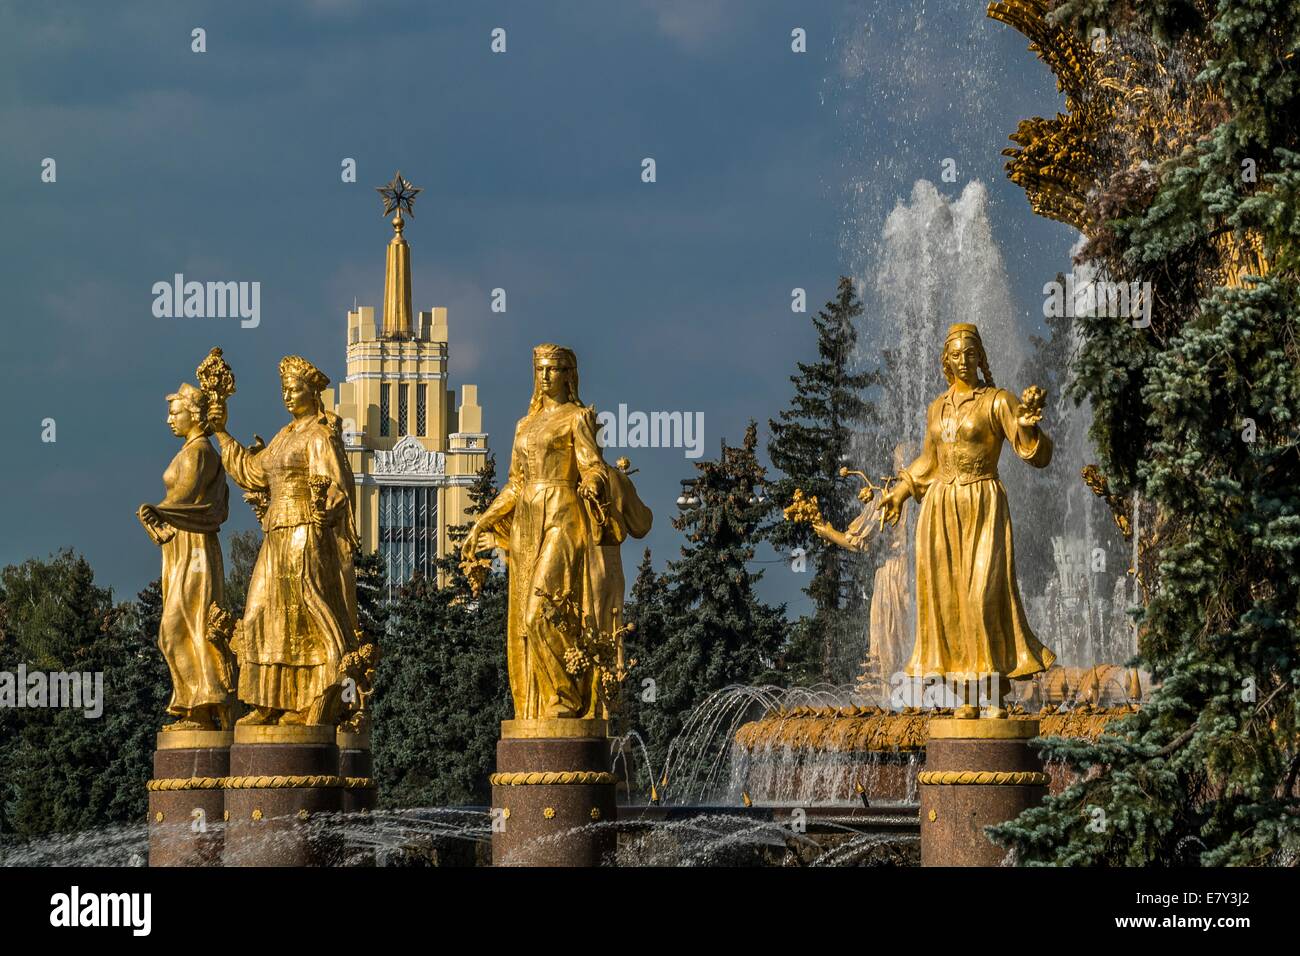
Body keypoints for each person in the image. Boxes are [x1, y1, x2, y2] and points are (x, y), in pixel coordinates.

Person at [462, 344, 651, 721]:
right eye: (540, 369)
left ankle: (567, 697)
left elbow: (592, 465)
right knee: (523, 623)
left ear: (569, 375)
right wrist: (483, 521)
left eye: (554, 369)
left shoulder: (576, 418)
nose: (545, 376)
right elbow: (515, 485)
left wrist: (595, 484)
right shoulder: (524, 425)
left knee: (541, 612)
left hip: (563, 517)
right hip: (526, 522)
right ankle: (539, 705)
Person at [876, 322, 1055, 716]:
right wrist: (902, 491)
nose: (962, 361)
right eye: (954, 355)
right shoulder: (936, 408)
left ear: (980, 357)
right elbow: (929, 460)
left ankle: (994, 692)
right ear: (946, 360)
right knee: (951, 601)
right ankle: (968, 697)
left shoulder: (997, 401)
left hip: (982, 503)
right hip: (940, 508)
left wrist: (1029, 427)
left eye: (969, 354)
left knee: (982, 597)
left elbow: (1035, 455)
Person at [211, 355, 360, 726]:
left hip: (305, 531)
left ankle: (312, 700)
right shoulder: (283, 436)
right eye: (284, 391)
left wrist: (328, 508)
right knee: (261, 611)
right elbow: (251, 472)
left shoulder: (320, 435)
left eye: (295, 390)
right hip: (276, 533)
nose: (288, 397)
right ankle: (269, 701)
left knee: (304, 614)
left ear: (312, 393)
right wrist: (222, 432)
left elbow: (340, 486)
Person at [138, 383, 232, 730]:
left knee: (182, 626)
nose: (168, 420)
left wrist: (156, 511)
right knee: (182, 625)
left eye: (174, 412)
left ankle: (206, 703)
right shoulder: (191, 451)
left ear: (194, 415)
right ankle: (195, 705)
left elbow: (190, 501)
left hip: (194, 550)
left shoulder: (199, 453)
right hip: (181, 547)